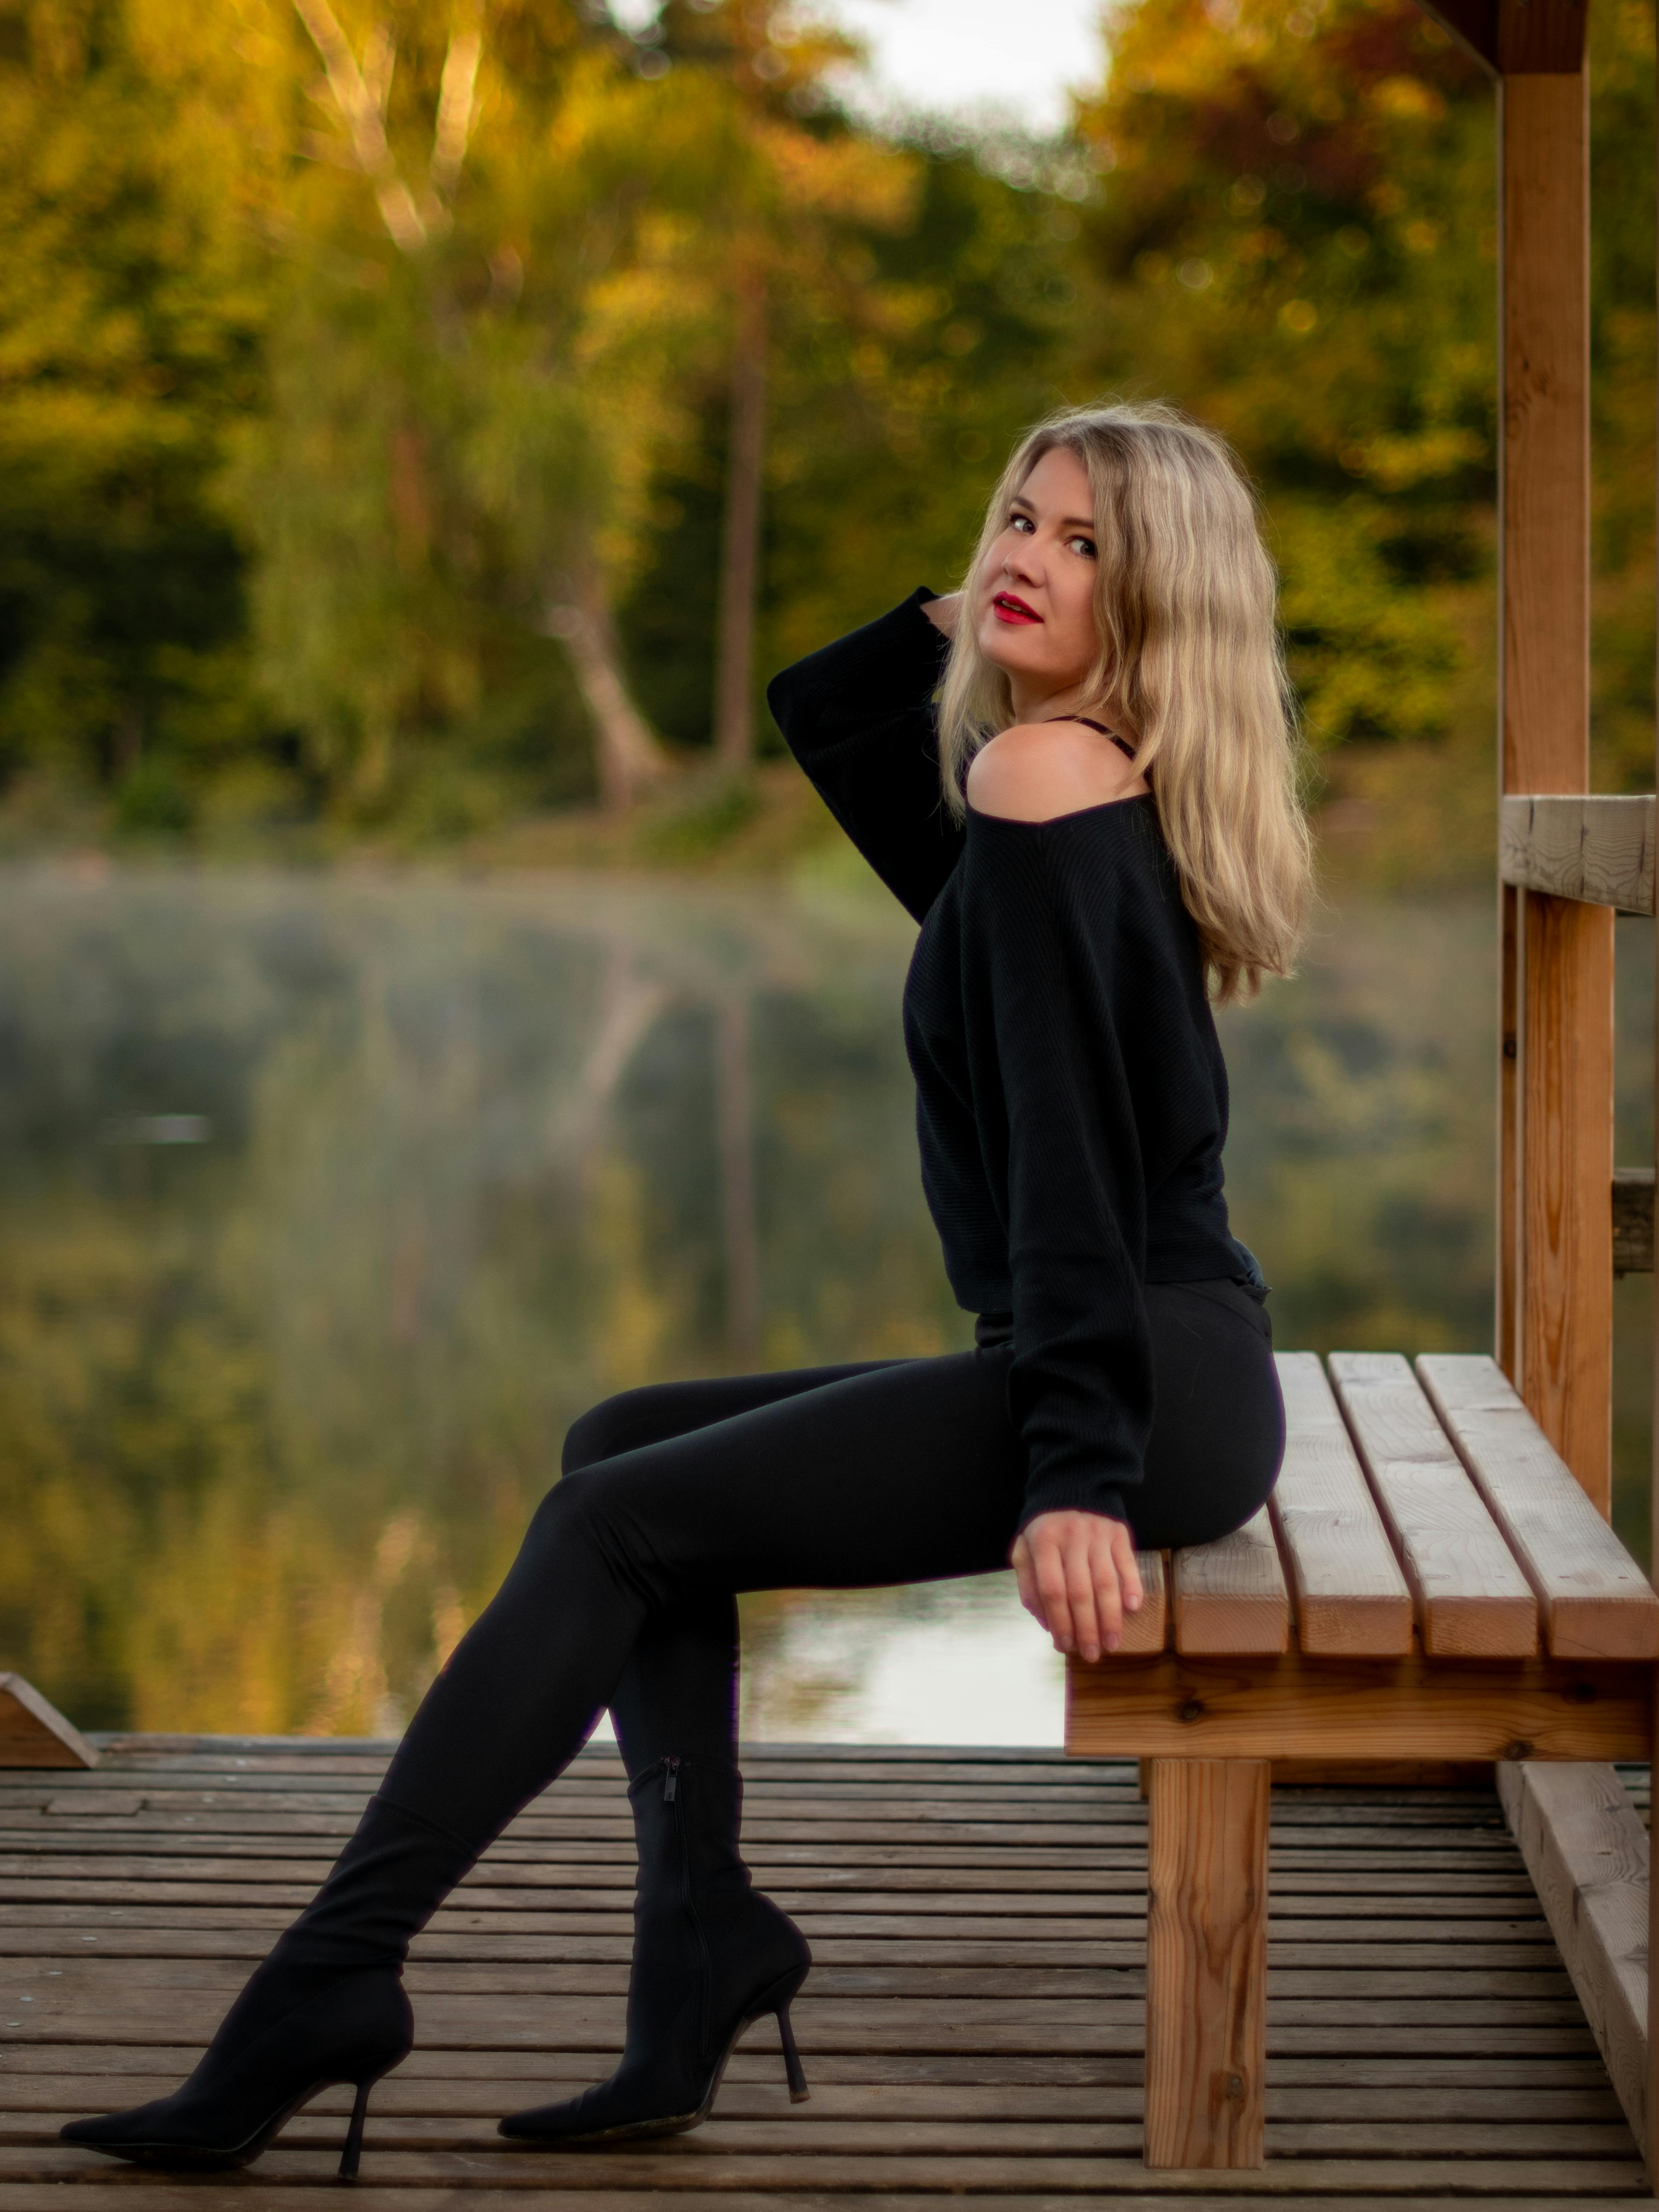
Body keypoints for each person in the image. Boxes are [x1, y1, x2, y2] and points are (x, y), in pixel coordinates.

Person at [61, 399, 1308, 2177]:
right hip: (1155, 1352)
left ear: (1165, 598)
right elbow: (827, 711)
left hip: (1141, 1377)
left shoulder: (1044, 785)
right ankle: (700, 1947)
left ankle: (327, 1989)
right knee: (618, 1441)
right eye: (1017, 521)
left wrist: (1077, 1472)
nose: (1028, 556)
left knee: (610, 1526)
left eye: (1088, 543)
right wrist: (980, 611)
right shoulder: (1057, 782)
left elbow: (1073, 1165)